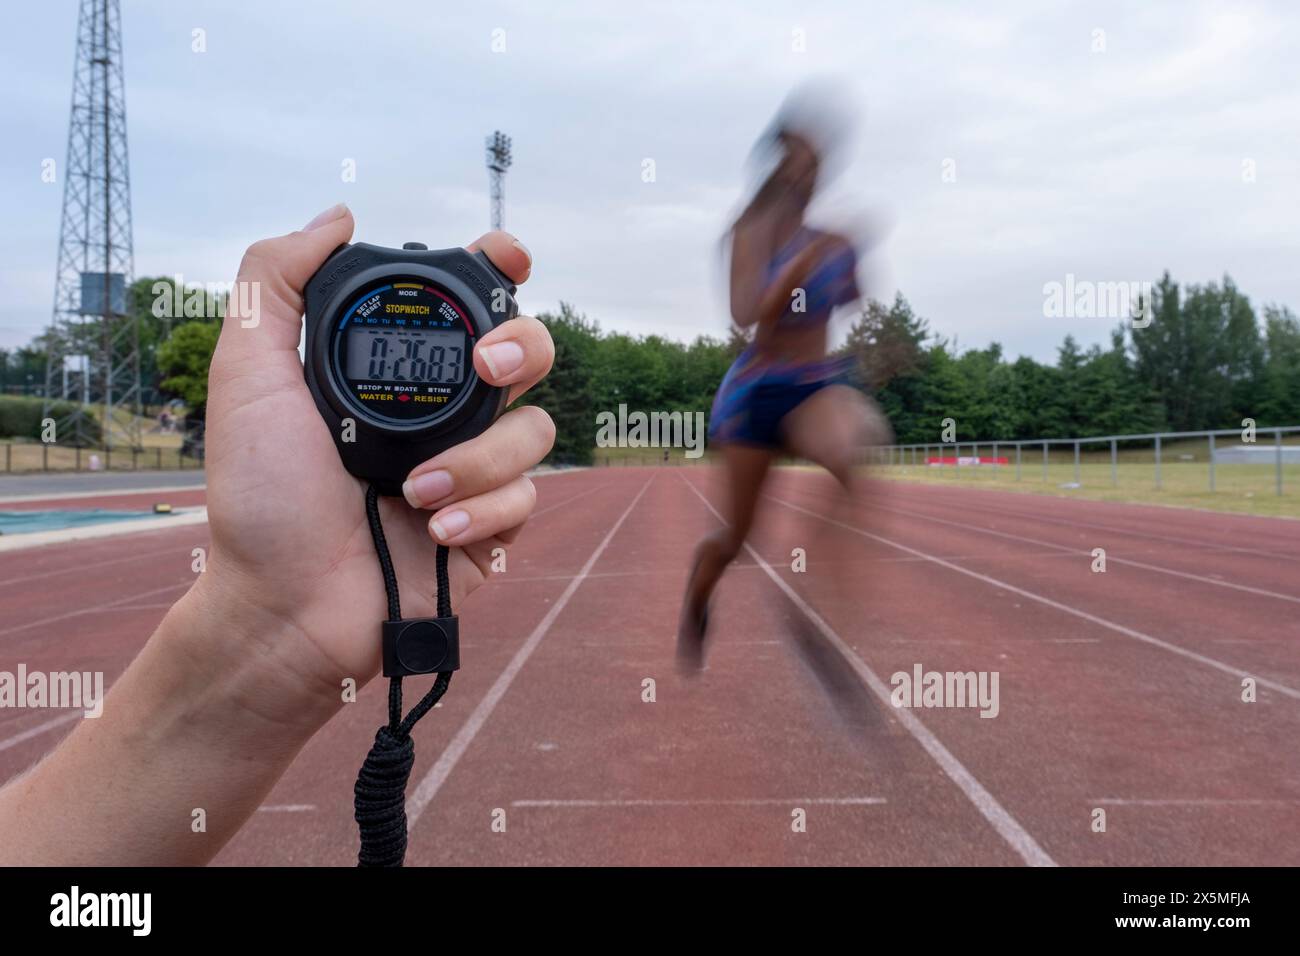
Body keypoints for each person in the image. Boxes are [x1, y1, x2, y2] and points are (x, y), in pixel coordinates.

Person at [0, 205, 556, 865]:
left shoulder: (347, 285)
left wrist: (271, 641)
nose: (403, 368)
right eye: (388, 353)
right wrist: (263, 623)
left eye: (426, 360)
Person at [678, 87, 890, 671]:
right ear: (778, 165)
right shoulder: (748, 234)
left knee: (856, 455)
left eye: (818, 163)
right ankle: (700, 588)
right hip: (755, 393)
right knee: (737, 540)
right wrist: (794, 266)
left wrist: (853, 265)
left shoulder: (832, 241)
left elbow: (858, 308)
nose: (810, 173)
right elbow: (745, 313)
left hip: (812, 385)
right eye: (799, 159)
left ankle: (813, 608)